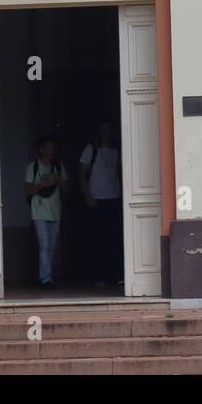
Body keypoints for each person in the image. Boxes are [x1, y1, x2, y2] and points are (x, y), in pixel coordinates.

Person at [79, 119, 123, 288]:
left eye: (108, 128)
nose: (105, 132)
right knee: (98, 240)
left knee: (116, 239)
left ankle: (119, 274)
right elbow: (81, 173)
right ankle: (99, 276)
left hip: (114, 198)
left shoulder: (117, 149)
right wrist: (87, 196)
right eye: (102, 128)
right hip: (97, 200)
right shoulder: (91, 148)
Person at [24, 135, 68, 289]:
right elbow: (28, 191)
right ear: (41, 150)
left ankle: (44, 275)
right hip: (39, 210)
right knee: (44, 244)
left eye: (53, 147)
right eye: (48, 147)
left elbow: (67, 189)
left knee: (52, 245)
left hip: (55, 210)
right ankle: (46, 278)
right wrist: (43, 184)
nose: (52, 150)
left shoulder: (58, 166)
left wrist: (58, 179)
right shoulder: (33, 167)